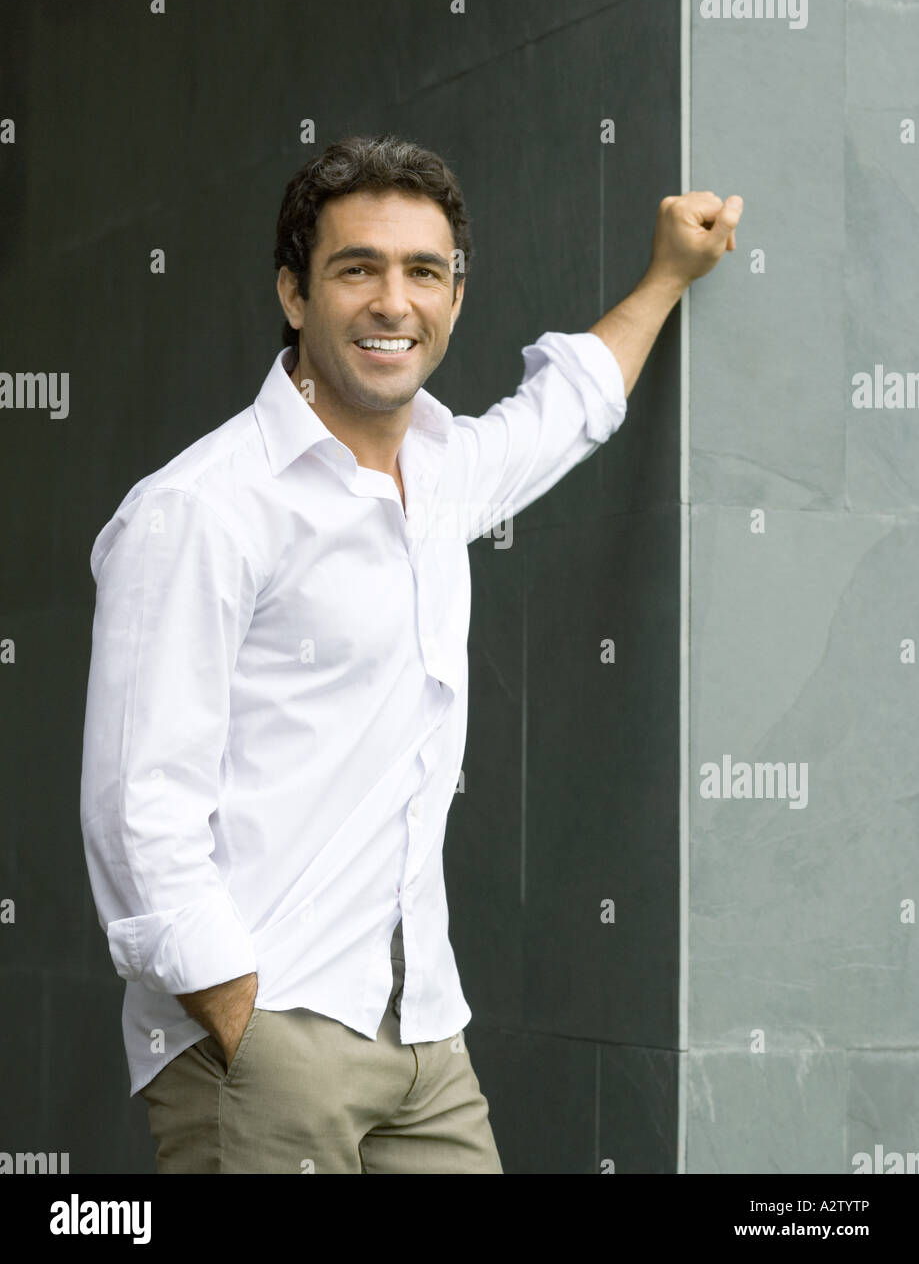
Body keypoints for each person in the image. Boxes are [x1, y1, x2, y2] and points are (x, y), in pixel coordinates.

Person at [79, 133, 742, 1174]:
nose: (395, 301)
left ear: (455, 298)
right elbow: (136, 807)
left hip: (424, 1031)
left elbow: (564, 410)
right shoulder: (200, 509)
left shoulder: (438, 474)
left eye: (424, 271)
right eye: (358, 268)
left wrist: (664, 277)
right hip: (269, 1030)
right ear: (295, 295)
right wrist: (238, 1014)